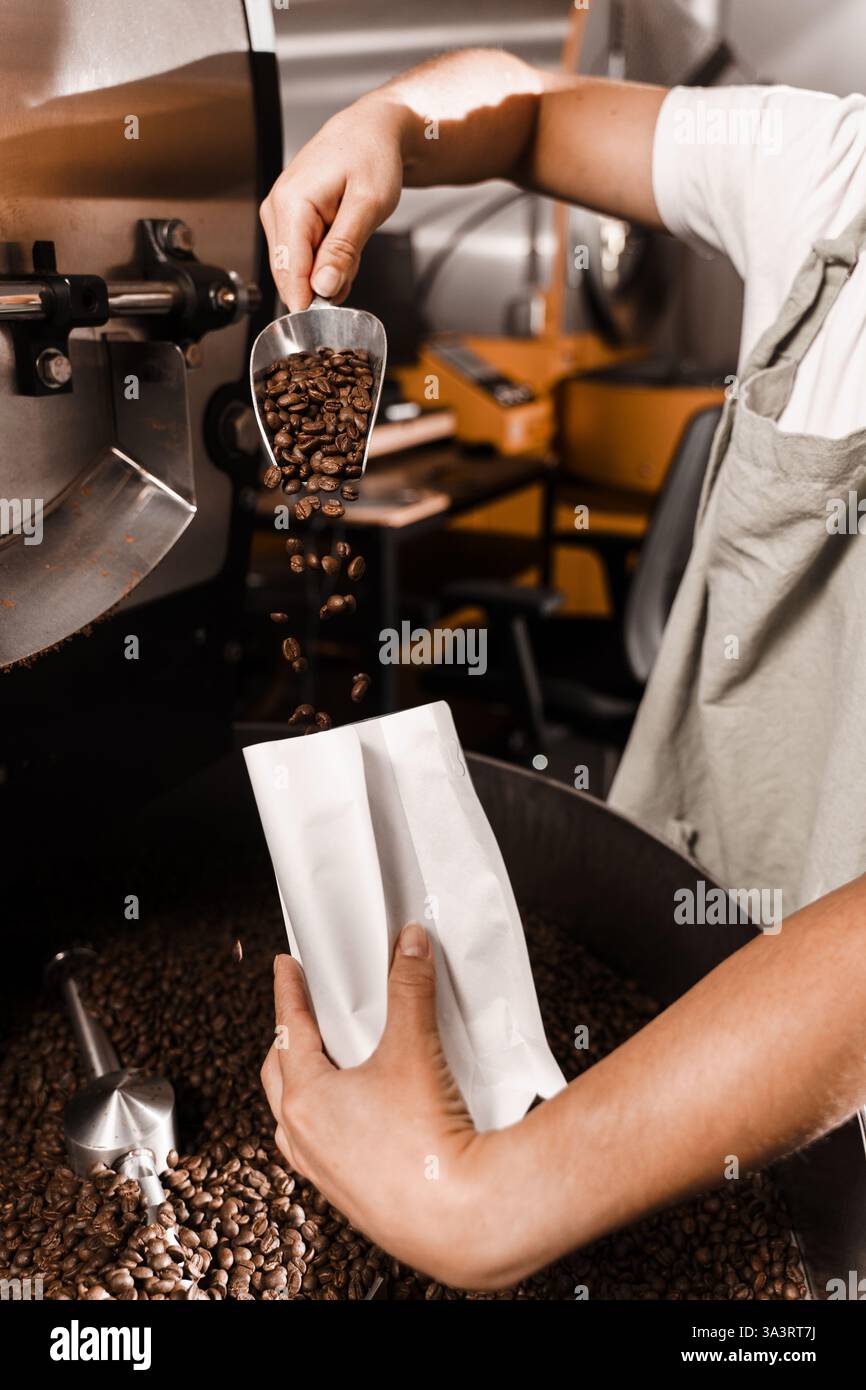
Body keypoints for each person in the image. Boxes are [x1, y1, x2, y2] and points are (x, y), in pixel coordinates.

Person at [259, 50, 866, 1287]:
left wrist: (490, 1201)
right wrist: (389, 123)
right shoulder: (831, 175)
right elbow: (525, 112)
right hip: (678, 926)